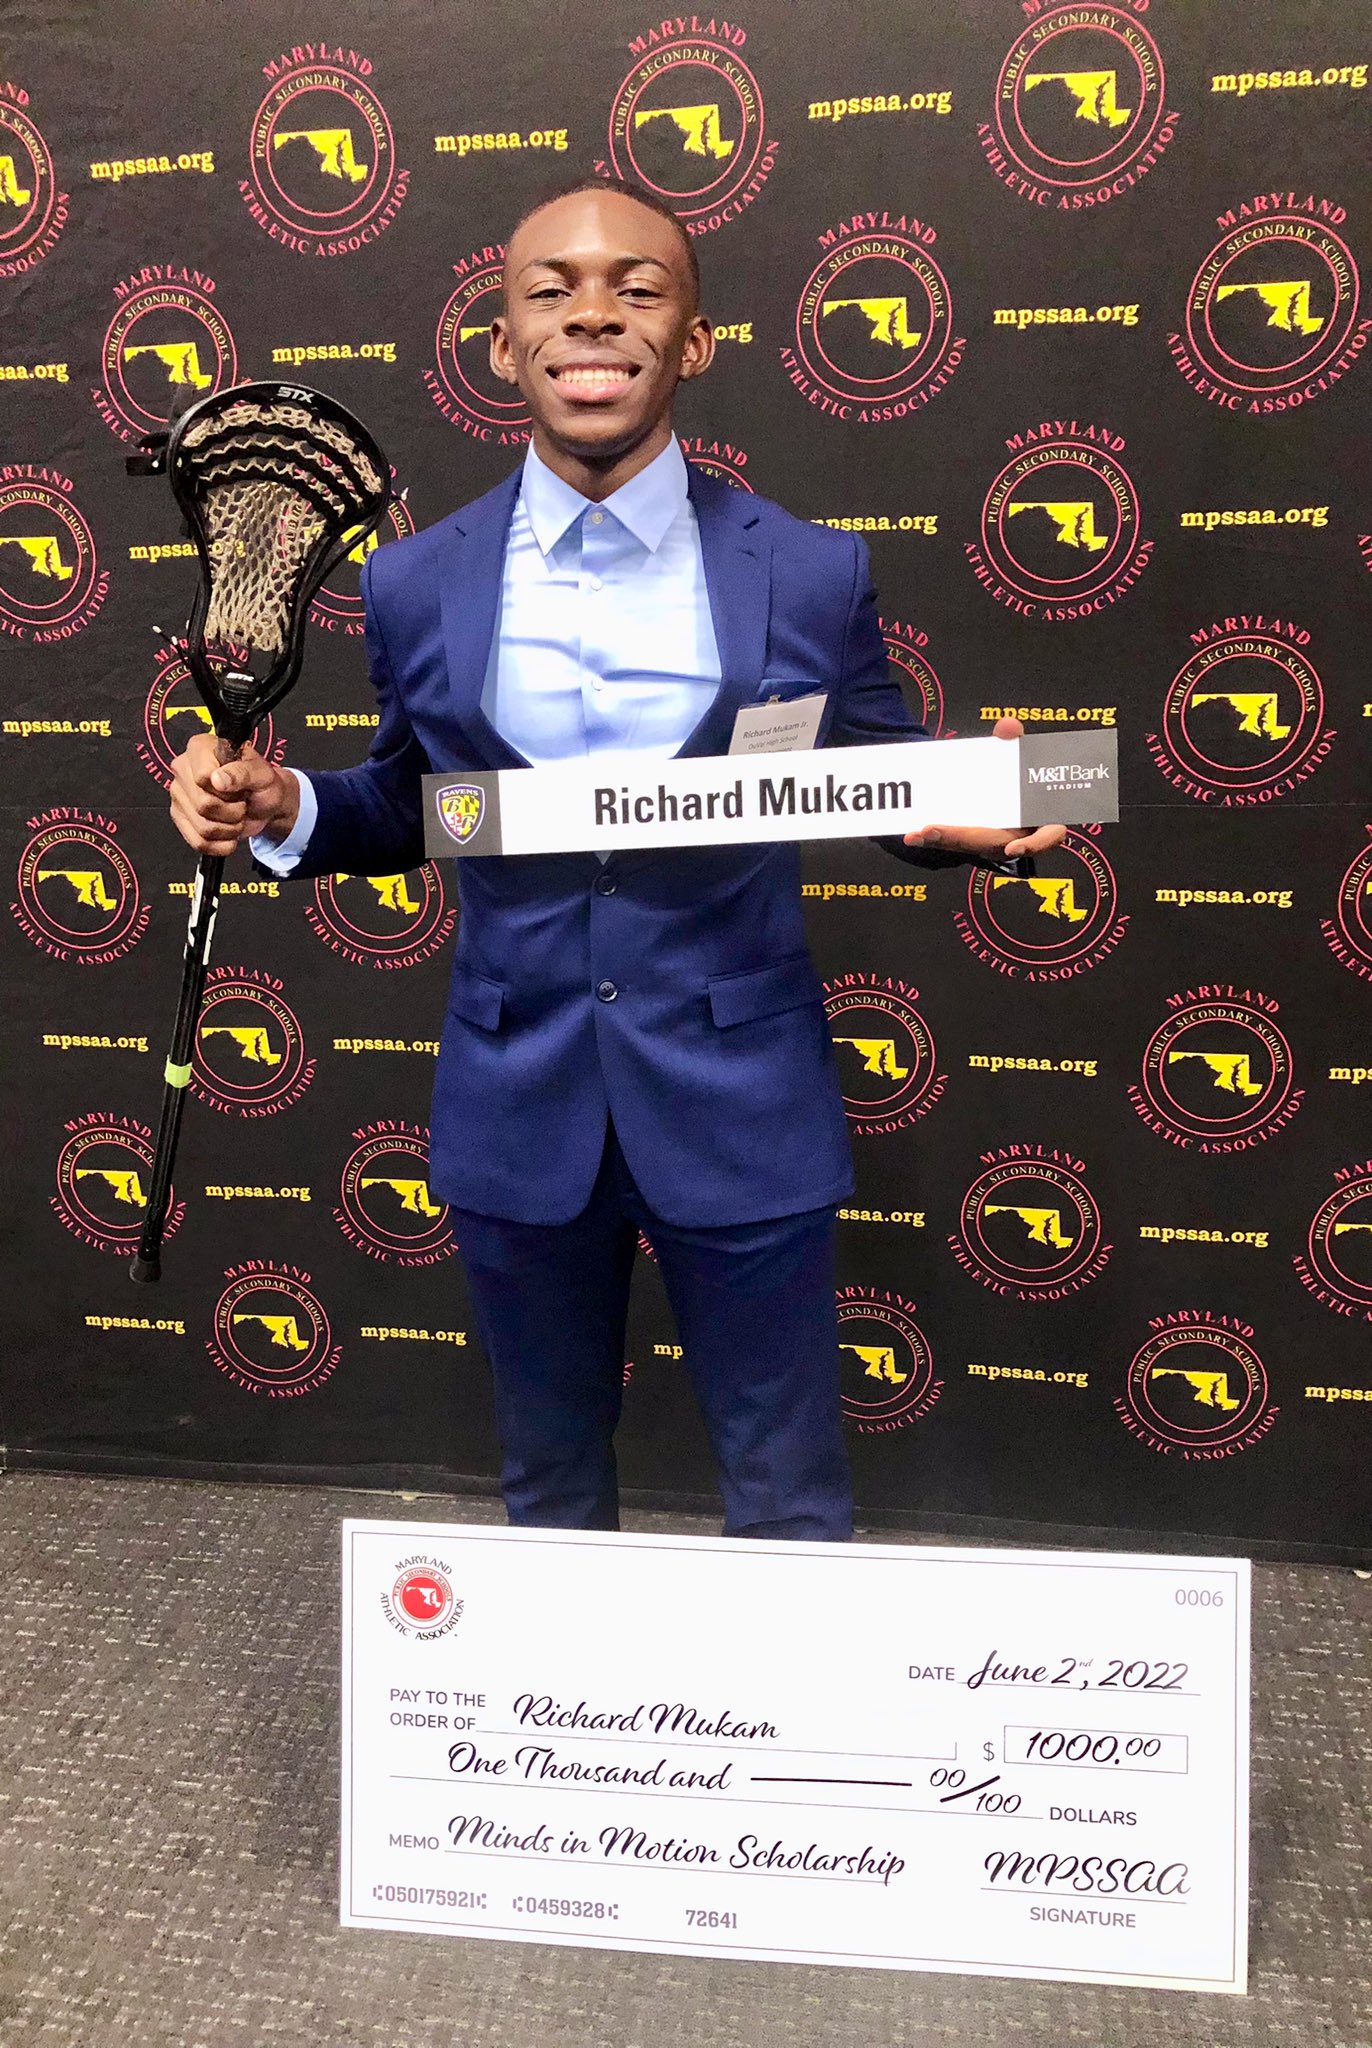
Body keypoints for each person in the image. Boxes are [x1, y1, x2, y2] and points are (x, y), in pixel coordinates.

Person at [168, 177, 1066, 1543]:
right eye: (553, 290)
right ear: (503, 346)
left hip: (742, 1098)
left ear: (692, 341)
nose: (593, 314)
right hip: (517, 1100)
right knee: (547, 1492)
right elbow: (419, 806)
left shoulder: (812, 571)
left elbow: (877, 772)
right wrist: (282, 802)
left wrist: (955, 816)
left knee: (786, 1492)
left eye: (638, 289)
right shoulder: (413, 583)